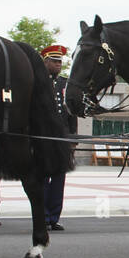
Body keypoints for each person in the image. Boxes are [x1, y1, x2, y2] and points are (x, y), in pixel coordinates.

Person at [41, 44, 75, 231]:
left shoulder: (64, 84)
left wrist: (73, 138)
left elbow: (71, 112)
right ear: (45, 62)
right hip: (44, 137)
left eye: (60, 62)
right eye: (54, 61)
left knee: (59, 179)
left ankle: (54, 217)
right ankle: (43, 216)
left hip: (62, 138)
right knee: (43, 179)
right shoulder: (38, 83)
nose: (58, 65)